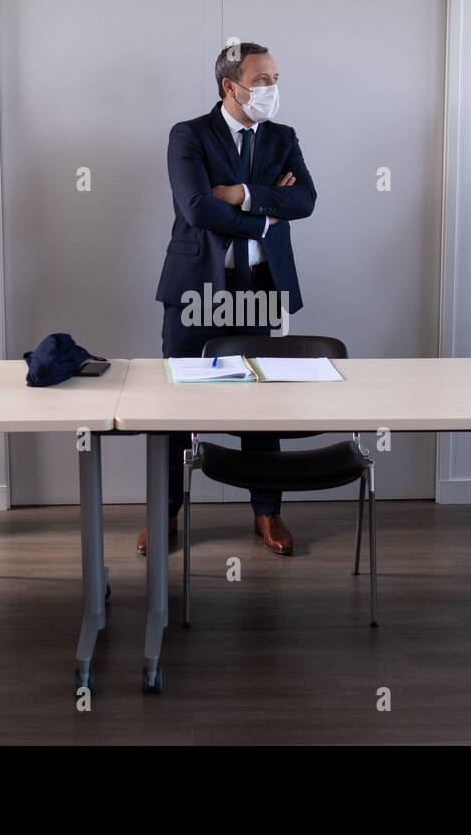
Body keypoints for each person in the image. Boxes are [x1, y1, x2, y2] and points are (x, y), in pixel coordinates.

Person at [145, 42, 317, 556]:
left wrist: (239, 194)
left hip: (259, 287)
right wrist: (267, 208)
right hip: (197, 287)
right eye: (262, 79)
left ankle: (267, 513)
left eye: (275, 78)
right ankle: (165, 514)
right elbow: (196, 207)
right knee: (176, 409)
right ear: (230, 86)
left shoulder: (282, 137)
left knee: (261, 409)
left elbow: (305, 199)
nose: (272, 89)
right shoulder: (189, 135)